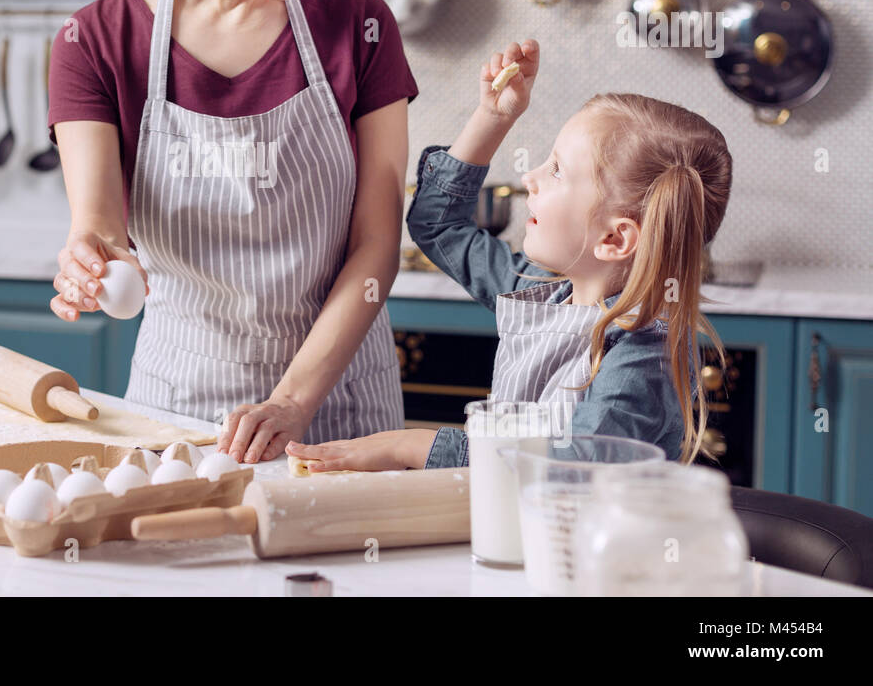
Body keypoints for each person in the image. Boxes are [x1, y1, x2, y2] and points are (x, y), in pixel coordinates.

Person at [47, 0, 418, 464]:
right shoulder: (95, 41)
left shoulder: (360, 25)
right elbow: (99, 229)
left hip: (344, 414)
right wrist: (86, 265)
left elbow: (378, 243)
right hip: (178, 419)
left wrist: (293, 402)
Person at [285, 39, 733, 472]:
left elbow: (574, 466)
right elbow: (437, 224)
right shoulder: (541, 289)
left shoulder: (642, 351)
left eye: (556, 170)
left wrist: (411, 443)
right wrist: (492, 117)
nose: (529, 176)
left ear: (614, 240)